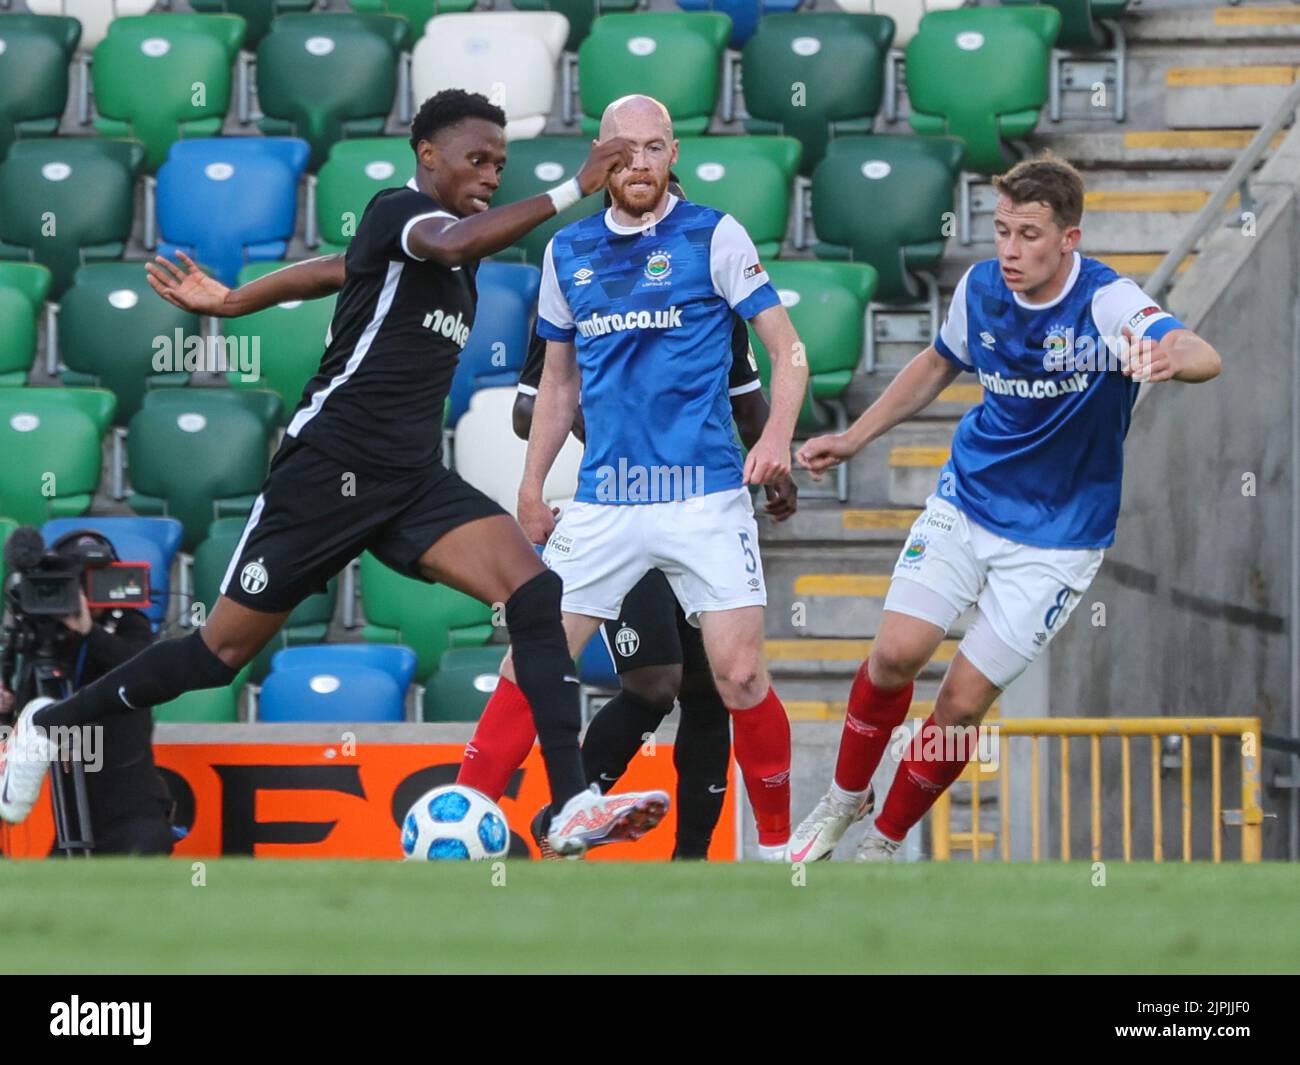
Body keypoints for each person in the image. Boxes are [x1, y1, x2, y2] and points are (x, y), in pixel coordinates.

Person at [0, 89, 668, 858]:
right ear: (427, 155)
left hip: (410, 480)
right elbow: (443, 245)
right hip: (324, 472)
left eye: (500, 164)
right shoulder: (401, 212)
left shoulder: (440, 251)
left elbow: (332, 271)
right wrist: (569, 188)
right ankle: (49, 724)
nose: (489, 174)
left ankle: (570, 803)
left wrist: (237, 299)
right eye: (476, 160)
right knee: (217, 657)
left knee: (535, 588)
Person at [788, 153, 1223, 862]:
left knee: (960, 703)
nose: (1010, 250)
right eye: (1001, 231)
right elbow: (936, 362)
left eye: (1028, 234)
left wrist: (1172, 356)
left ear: (1068, 240)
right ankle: (842, 800)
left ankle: (886, 839)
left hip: (1058, 539)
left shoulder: (1106, 302)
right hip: (969, 501)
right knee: (896, 652)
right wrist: (854, 436)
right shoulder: (982, 287)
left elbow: (1198, 349)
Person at [460, 94, 810, 861]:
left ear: (674, 153)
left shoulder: (713, 236)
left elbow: (786, 350)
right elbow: (557, 386)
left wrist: (778, 439)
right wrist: (529, 486)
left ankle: (781, 852)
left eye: (655, 148)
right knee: (531, 662)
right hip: (604, 504)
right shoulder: (569, 252)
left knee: (738, 674)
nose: (641, 163)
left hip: (707, 496)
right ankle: (461, 821)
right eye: (626, 150)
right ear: (601, 156)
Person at [0, 531, 174, 855]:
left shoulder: (128, 625)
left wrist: (88, 632)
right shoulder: (42, 635)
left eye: (102, 579)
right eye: (82, 581)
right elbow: (30, 724)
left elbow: (140, 676)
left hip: (133, 813)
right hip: (71, 815)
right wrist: (7, 706)